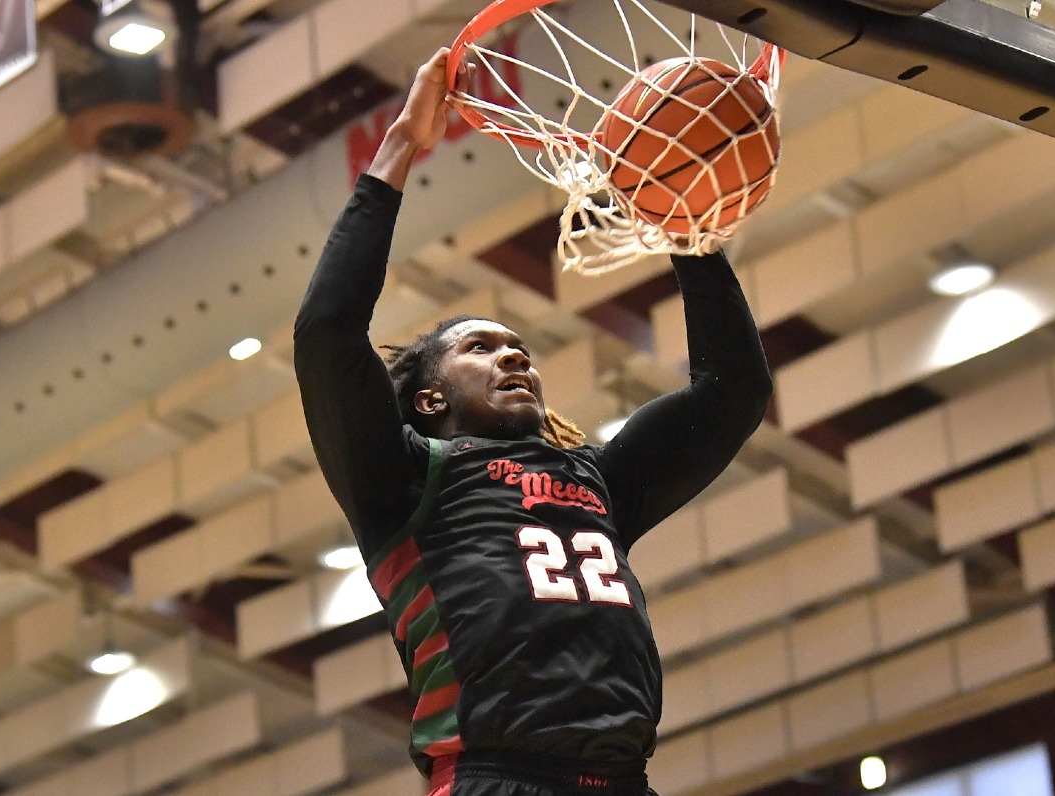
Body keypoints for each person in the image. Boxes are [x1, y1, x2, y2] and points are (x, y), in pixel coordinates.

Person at [293, 48, 772, 796]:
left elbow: (734, 392)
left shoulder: (597, 480)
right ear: (428, 400)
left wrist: (688, 232)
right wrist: (400, 147)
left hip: (624, 780)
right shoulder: (403, 478)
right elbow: (327, 331)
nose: (513, 357)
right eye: (480, 348)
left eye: (519, 348)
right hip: (496, 776)